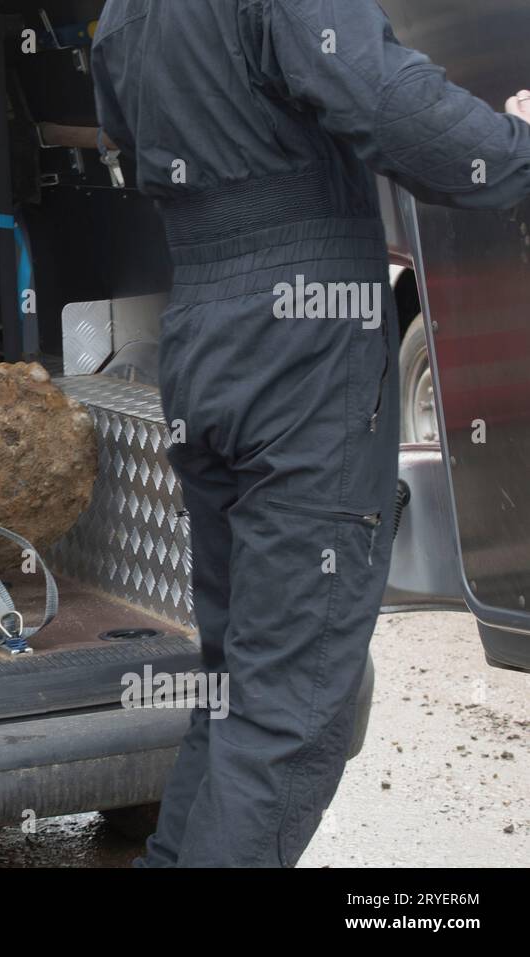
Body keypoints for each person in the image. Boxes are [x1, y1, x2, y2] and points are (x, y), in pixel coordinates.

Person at [90, 0, 530, 867]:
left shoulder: (119, 15)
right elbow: (393, 106)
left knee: (237, 692)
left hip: (206, 336)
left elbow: (134, 154)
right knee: (288, 714)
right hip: (299, 347)